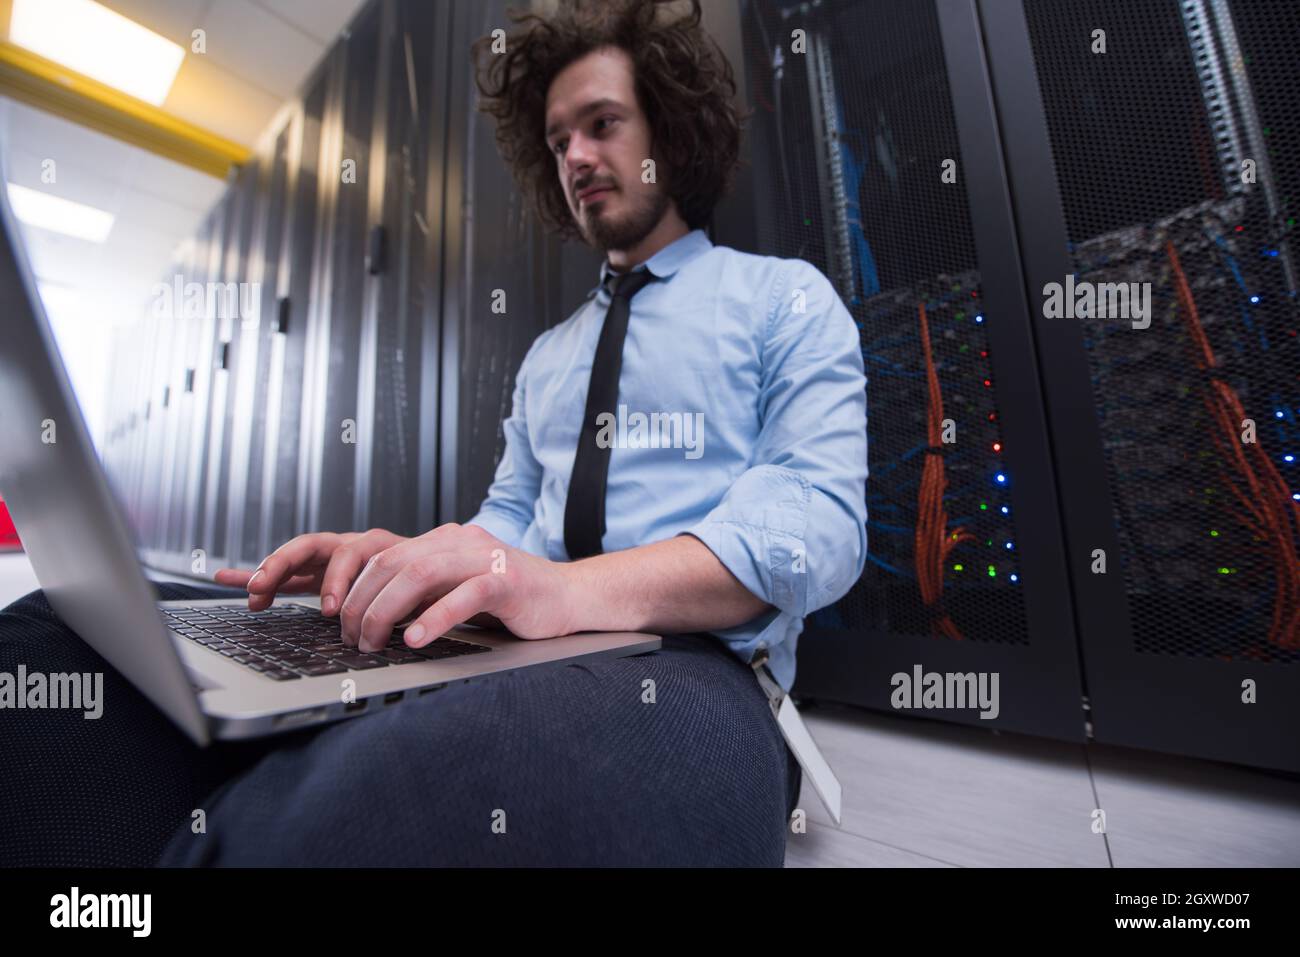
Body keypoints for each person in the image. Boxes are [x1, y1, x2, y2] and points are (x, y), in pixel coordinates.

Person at [0, 0, 865, 867]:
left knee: (341, 815)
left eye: (602, 124)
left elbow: (813, 525)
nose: (577, 158)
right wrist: (402, 564)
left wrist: (567, 590)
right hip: (511, 650)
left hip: (696, 669)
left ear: (668, 135)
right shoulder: (548, 358)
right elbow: (508, 522)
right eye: (560, 140)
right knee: (53, 640)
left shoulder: (780, 300)